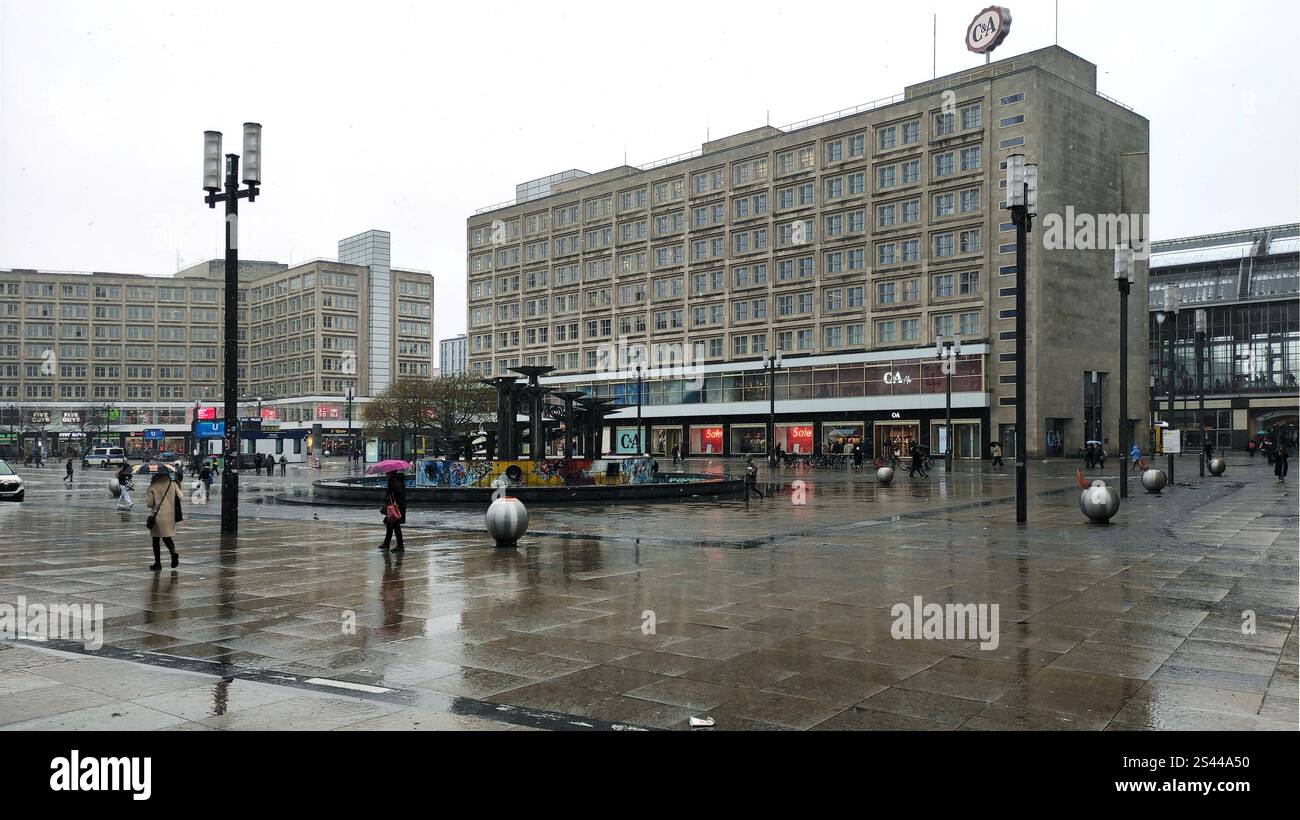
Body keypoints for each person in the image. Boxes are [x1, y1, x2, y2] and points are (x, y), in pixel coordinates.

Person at [144, 471, 181, 570]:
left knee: (156, 540)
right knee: (167, 537)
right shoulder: (172, 484)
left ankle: (157, 563)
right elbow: (181, 496)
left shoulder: (153, 485)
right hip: (170, 515)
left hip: (157, 516)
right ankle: (173, 553)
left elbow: (150, 504)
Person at [379, 470, 407, 553]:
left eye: (387, 473)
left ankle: (400, 546)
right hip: (398, 506)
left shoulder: (393, 481)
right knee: (390, 525)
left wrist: (388, 496)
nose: (385, 474)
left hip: (395, 507)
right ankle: (386, 543)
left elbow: (396, 493)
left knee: (395, 525)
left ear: (390, 473)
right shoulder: (398, 480)